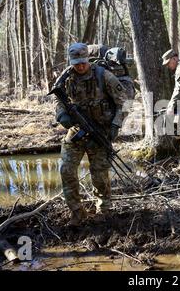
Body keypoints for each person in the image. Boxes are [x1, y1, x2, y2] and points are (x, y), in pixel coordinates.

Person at [53, 43, 127, 226]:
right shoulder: (66, 78)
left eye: (82, 63)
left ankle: (103, 210)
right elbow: (59, 100)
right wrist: (61, 114)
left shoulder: (104, 76)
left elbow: (124, 103)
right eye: (76, 63)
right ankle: (77, 212)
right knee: (66, 170)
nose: (79, 67)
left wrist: (116, 125)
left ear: (87, 60)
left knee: (99, 174)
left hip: (100, 133)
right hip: (77, 131)